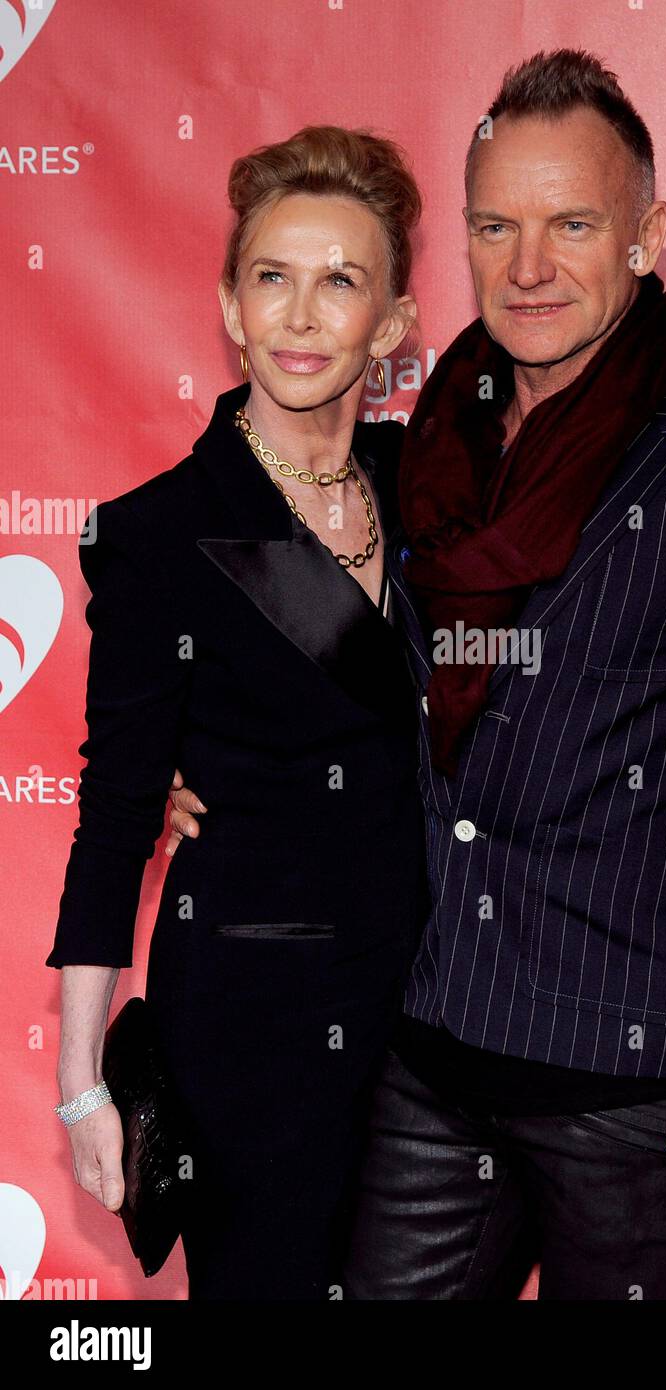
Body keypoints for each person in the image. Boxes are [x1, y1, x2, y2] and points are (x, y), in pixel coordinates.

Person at [169, 50, 666, 1301]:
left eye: (572, 224)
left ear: (647, 236)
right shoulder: (414, 457)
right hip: (424, 1051)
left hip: (632, 1094)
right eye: (495, 225)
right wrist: (203, 749)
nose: (529, 265)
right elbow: (308, 632)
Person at [44, 124, 430, 1299]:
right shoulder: (161, 536)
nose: (301, 317)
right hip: (255, 1020)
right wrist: (80, 1084)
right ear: (227, 301)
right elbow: (113, 824)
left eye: (340, 282)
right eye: (272, 277)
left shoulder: (433, 490)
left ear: (394, 325)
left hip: (434, 1014)